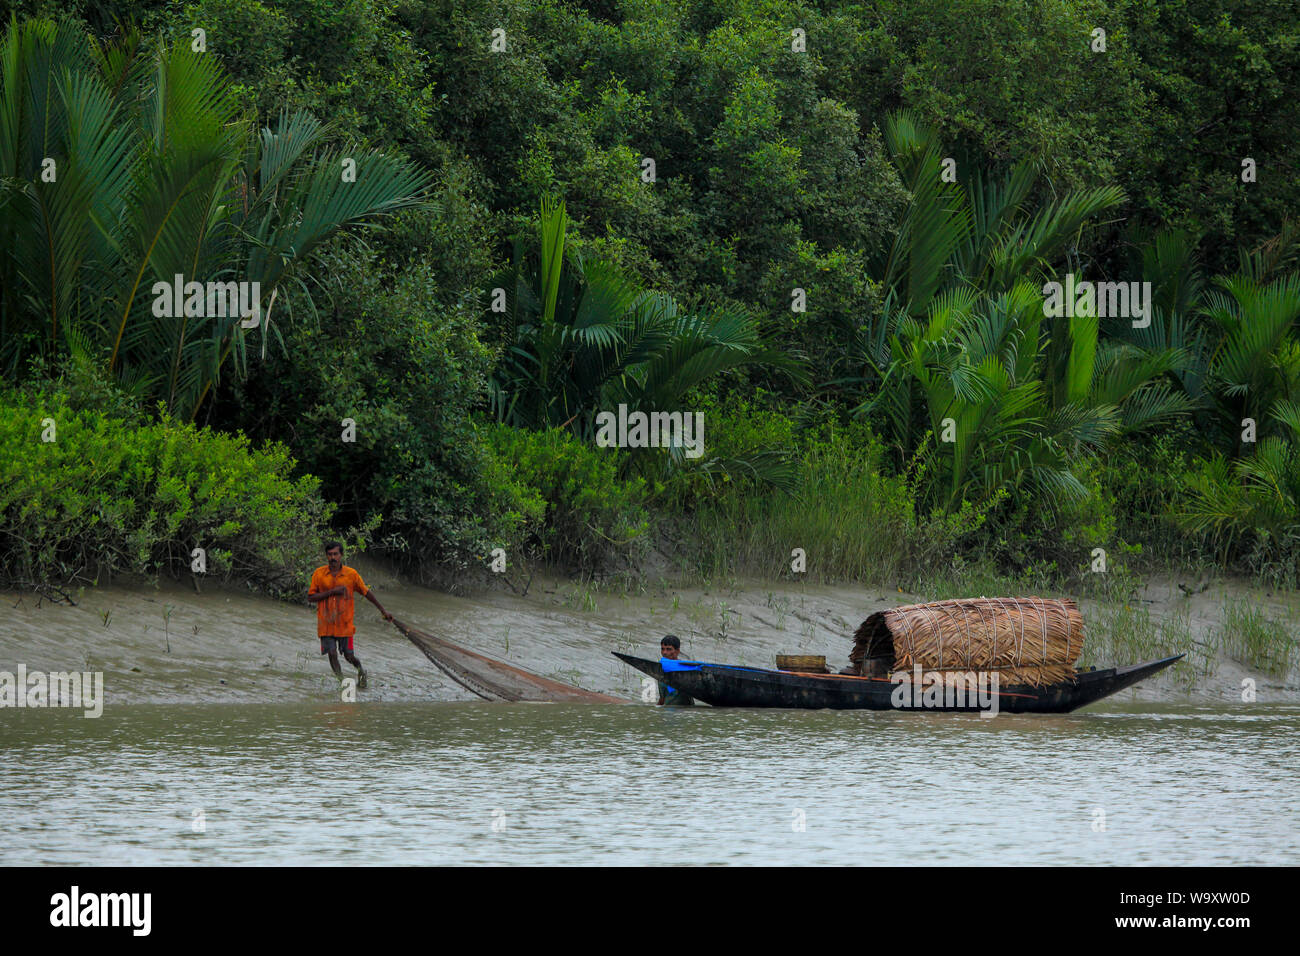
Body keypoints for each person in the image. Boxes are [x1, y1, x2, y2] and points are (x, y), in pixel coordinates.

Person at [307, 542, 392, 688]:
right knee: (332, 653)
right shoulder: (319, 574)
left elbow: (366, 593)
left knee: (349, 656)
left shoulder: (351, 574)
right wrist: (332, 592)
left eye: (335, 554)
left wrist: (383, 610)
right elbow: (311, 597)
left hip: (345, 624)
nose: (332, 557)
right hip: (326, 623)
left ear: (341, 555)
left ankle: (361, 671)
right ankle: (343, 683)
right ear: (326, 556)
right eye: (330, 554)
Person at [656, 634, 695, 706]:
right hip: (668, 711)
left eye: (668, 649)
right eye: (662, 649)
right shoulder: (661, 670)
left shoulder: (685, 669)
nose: (664, 652)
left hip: (684, 711)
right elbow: (662, 699)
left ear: (677, 651)